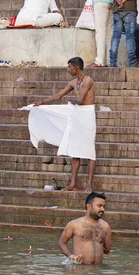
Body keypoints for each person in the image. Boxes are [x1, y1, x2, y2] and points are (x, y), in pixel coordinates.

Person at [29, 57, 97, 191]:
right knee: (75, 150)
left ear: (76, 68)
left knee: (89, 150)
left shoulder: (88, 80)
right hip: (77, 116)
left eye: (70, 67)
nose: (68, 70)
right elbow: (58, 96)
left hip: (87, 115)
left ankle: (89, 185)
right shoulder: (73, 82)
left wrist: (73, 101)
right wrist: (42, 102)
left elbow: (81, 100)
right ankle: (73, 184)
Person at [59, 192, 111, 265]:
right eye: (99, 206)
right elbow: (62, 243)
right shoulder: (74, 224)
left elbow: (107, 250)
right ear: (89, 206)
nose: (102, 209)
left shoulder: (105, 226)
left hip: (98, 271)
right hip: (79, 270)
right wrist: (70, 255)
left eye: (103, 206)